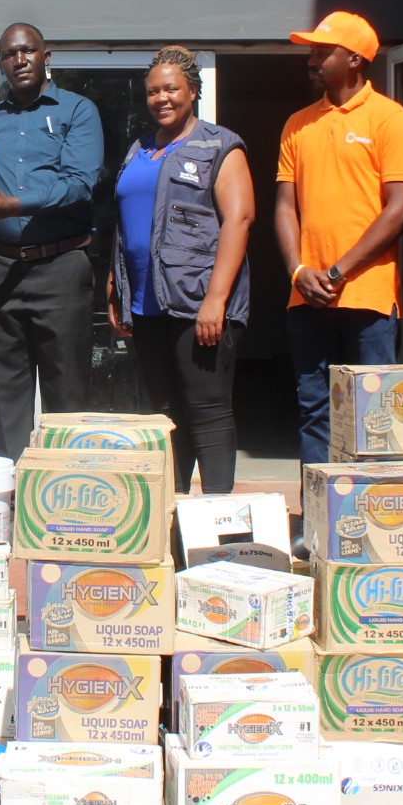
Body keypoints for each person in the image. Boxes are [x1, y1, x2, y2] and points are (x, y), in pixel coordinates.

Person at [106, 46, 253, 494]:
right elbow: (127, 221)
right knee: (166, 416)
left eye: (171, 88)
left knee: (207, 412)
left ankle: (216, 527)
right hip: (148, 303)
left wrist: (216, 300)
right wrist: (116, 284)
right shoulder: (139, 148)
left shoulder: (220, 145)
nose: (161, 98)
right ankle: (171, 525)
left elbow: (240, 219)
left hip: (199, 301)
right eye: (153, 91)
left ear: (193, 90)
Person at [275, 11, 403, 466]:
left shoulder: (389, 118)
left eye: (323, 50)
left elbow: (396, 210)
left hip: (367, 296)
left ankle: (372, 519)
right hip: (307, 296)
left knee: (374, 417)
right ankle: (320, 519)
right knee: (314, 409)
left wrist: (339, 271)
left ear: (356, 58)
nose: (312, 57)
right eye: (312, 49)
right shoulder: (298, 122)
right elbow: (284, 207)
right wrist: (299, 270)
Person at [0, 24, 102, 460]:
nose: (19, 59)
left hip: (60, 268)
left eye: (28, 50)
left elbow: (80, 184)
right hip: (0, 272)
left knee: (67, 399)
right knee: (7, 399)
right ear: (0, 63)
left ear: (46, 57)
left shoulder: (77, 111)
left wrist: (12, 205)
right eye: (9, 54)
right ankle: (15, 501)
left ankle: (64, 496)